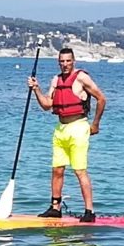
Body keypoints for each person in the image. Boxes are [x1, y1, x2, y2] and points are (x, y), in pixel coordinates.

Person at [27, 43, 105, 221]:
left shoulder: (81, 78)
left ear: (73, 61)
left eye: (68, 61)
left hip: (78, 127)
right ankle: (55, 208)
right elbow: (47, 105)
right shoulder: (56, 80)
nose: (65, 64)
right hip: (60, 129)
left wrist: (95, 124)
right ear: (58, 62)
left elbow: (101, 99)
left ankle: (89, 212)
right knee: (57, 170)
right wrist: (36, 89)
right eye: (62, 61)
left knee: (80, 171)